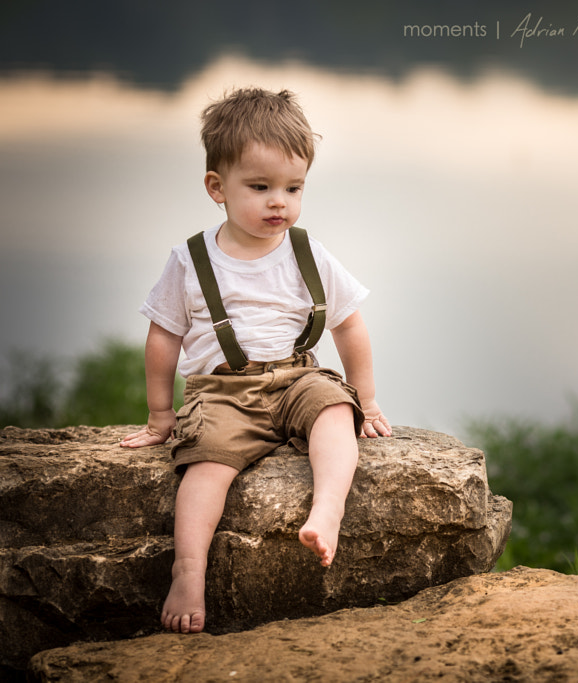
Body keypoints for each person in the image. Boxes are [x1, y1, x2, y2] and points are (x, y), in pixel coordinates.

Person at [120, 87, 391, 635]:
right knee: (207, 465)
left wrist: (366, 398)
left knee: (335, 413)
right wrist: (159, 415)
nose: (279, 203)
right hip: (222, 392)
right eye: (261, 187)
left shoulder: (307, 252)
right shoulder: (191, 260)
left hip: (296, 376)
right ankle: (189, 571)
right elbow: (163, 336)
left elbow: (349, 325)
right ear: (216, 188)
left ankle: (328, 510)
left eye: (294, 188)